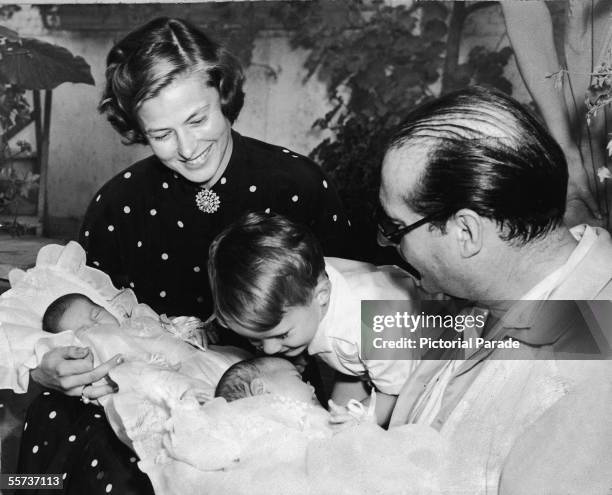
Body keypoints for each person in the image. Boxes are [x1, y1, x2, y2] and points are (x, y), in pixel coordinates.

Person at [21, 17, 353, 494]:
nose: (189, 148)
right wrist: (48, 366)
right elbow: (69, 310)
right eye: (162, 134)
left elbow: (365, 307)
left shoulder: (298, 185)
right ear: (137, 129)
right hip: (149, 385)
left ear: (224, 93)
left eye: (198, 119)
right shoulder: (119, 205)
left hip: (277, 386)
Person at [379, 86, 612, 493]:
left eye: (397, 229)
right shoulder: (488, 301)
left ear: (466, 231)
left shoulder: (592, 370)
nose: (389, 245)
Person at [208, 211, 423, 427]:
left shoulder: (362, 329)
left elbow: (398, 393)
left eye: (282, 334)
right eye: (256, 340)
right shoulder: (305, 280)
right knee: (333, 414)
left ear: (322, 295)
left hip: (430, 348)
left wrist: (359, 420)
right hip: (379, 354)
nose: (270, 350)